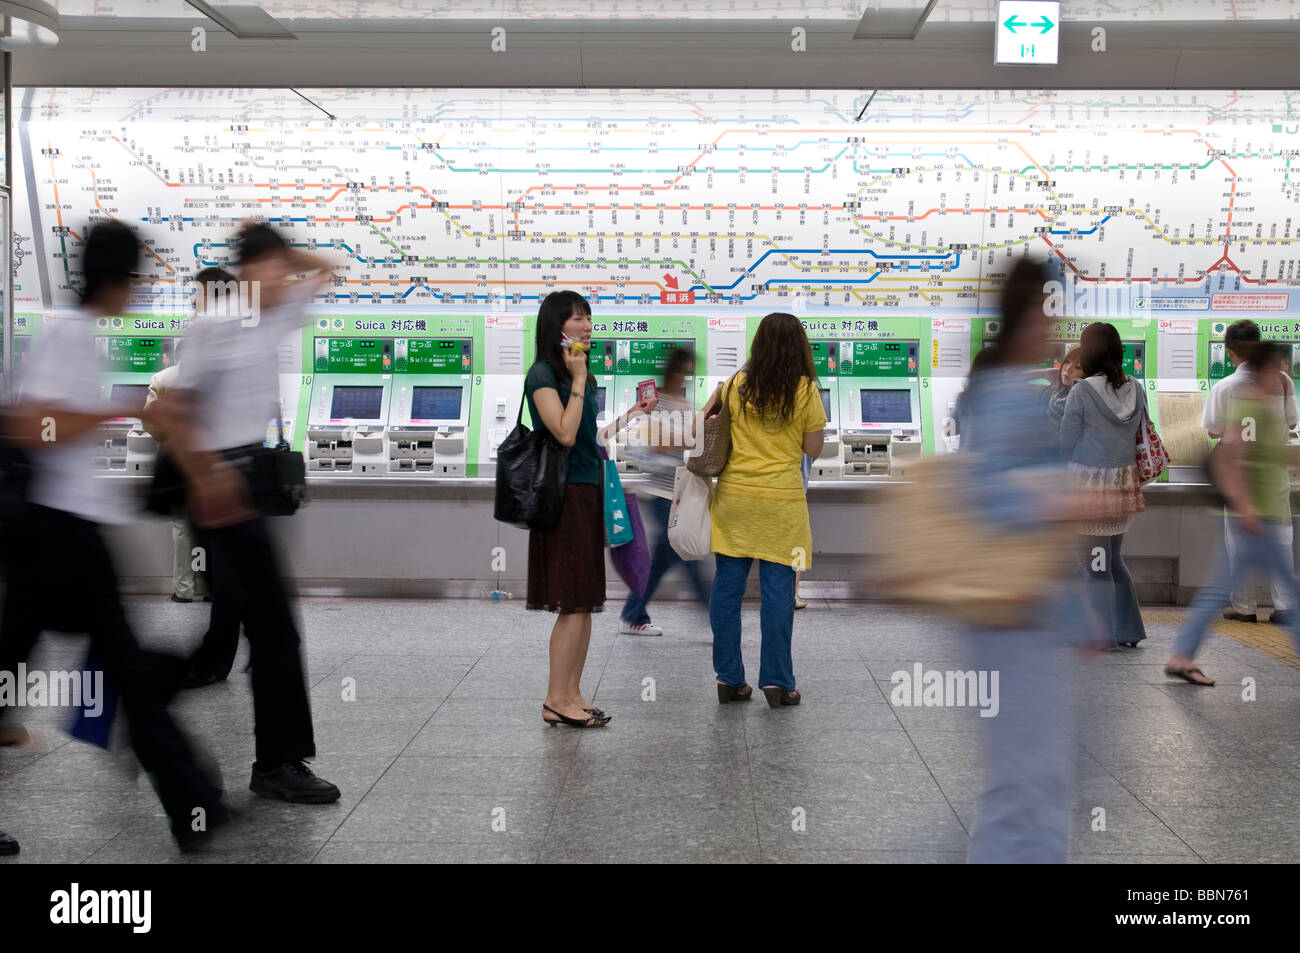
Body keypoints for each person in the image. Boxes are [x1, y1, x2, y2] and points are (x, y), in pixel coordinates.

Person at [0, 221, 227, 850]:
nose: (140, 292)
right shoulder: (70, 336)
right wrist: (119, 406)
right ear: (116, 278)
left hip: (66, 532)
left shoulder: (77, 335)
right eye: (137, 279)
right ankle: (194, 807)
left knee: (113, 669)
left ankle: (194, 806)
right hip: (56, 532)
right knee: (119, 670)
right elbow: (35, 425)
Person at [160, 220, 340, 802]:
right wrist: (208, 482)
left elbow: (330, 271)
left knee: (262, 627)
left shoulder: (276, 311)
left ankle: (145, 696)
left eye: (287, 270)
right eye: (275, 269)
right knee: (272, 629)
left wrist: (289, 255)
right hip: (216, 484)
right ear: (248, 269)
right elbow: (177, 410)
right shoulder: (216, 321)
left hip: (250, 484)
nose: (288, 280)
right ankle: (275, 764)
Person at [958, 258, 1078, 863]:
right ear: (1033, 312)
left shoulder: (1000, 386)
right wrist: (1056, 498)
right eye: (1055, 310)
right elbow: (988, 493)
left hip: (1017, 607)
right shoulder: (1007, 394)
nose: (1060, 326)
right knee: (1028, 774)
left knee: (1025, 770)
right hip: (1011, 607)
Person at [525, 291, 653, 727]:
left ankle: (572, 693)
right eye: (577, 318)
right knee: (570, 603)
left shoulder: (586, 377)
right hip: (560, 496)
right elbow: (561, 432)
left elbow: (588, 437)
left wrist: (631, 413)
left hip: (587, 491)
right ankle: (553, 698)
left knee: (585, 600)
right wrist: (577, 379)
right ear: (556, 325)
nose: (586, 325)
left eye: (588, 317)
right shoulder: (542, 374)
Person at [709, 312, 826, 708]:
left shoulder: (735, 385)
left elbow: (707, 426)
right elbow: (813, 449)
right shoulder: (806, 390)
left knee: (727, 590)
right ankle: (777, 683)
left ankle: (729, 678)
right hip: (783, 507)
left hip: (734, 503)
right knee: (778, 595)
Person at [1170, 339, 1300, 685]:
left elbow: (1270, 455)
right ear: (1264, 370)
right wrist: (1246, 509)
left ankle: (1182, 655)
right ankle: (1181, 654)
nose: (1283, 373)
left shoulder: (1265, 406)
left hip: (1262, 513)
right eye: (1277, 367)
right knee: (1289, 590)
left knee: (1220, 589)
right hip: (1258, 517)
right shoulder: (1249, 408)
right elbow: (1230, 461)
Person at [147, 268, 235, 606]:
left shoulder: (163, 378)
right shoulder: (227, 368)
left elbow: (152, 426)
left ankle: (184, 589)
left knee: (183, 528)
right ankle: (216, 588)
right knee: (217, 527)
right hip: (219, 458)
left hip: (180, 459)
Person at [1058, 323, 1148, 649]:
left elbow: (1066, 441)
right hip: (1124, 487)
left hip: (1090, 490)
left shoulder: (1082, 390)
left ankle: (1102, 634)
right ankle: (1129, 630)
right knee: (1113, 560)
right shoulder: (1136, 387)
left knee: (1097, 565)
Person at [1204, 320, 1299, 625]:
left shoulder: (1225, 386)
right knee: (1283, 542)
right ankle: (1284, 606)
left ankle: (1243, 606)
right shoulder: (1283, 382)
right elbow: (1293, 423)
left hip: (1238, 480)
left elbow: (1213, 428)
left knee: (1238, 545)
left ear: (1229, 351)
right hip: (1274, 478)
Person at [614, 346, 710, 635]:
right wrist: (686, 438)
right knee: (687, 558)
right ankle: (717, 618)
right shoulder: (661, 401)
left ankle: (633, 613)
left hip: (678, 492)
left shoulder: (682, 400)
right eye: (684, 369)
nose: (687, 375)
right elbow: (655, 443)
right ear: (674, 370)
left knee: (665, 559)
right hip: (660, 493)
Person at [1045, 344, 1084, 429]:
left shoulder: (1079, 402)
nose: (1068, 369)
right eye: (1067, 362)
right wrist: (1043, 373)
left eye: (1077, 367)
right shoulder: (1060, 390)